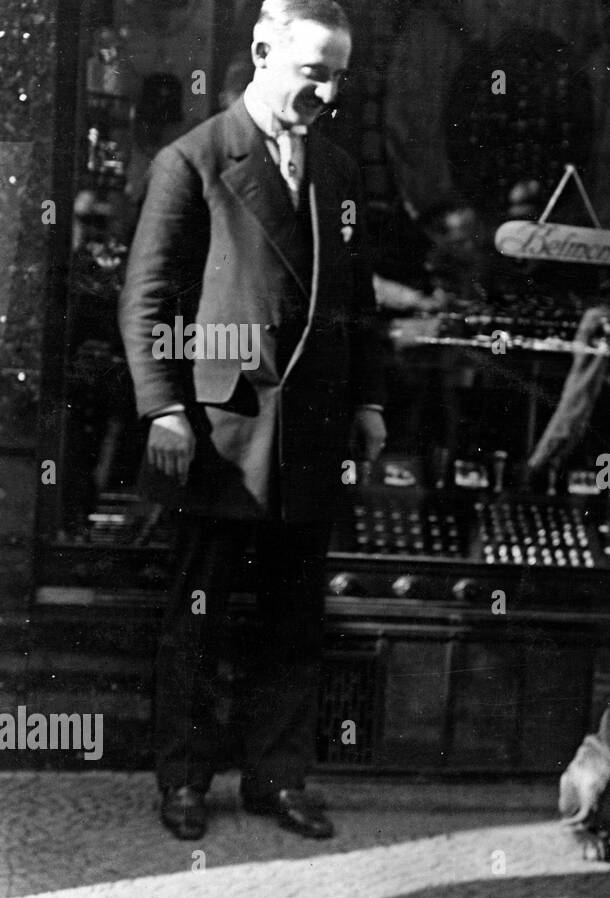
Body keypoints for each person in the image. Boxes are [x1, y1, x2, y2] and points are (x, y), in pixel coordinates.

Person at [119, 0, 385, 841]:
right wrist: (163, 406)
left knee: (293, 614)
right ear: (263, 52)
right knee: (198, 610)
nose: (327, 92)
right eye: (314, 73)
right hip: (220, 432)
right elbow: (148, 298)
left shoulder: (337, 172)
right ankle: (186, 778)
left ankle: (278, 776)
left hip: (308, 430)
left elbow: (358, 300)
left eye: (338, 75)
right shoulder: (193, 161)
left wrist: (369, 399)